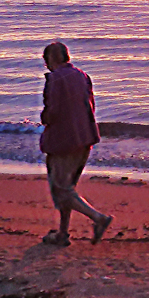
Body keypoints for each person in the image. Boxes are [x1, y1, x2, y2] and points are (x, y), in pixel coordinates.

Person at [39, 41, 112, 246]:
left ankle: (98, 218)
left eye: (46, 61)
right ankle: (62, 233)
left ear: (51, 59)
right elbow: (90, 106)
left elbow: (52, 112)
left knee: (61, 189)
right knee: (68, 189)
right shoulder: (82, 75)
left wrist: (44, 118)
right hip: (85, 136)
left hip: (64, 140)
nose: (46, 65)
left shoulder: (55, 79)